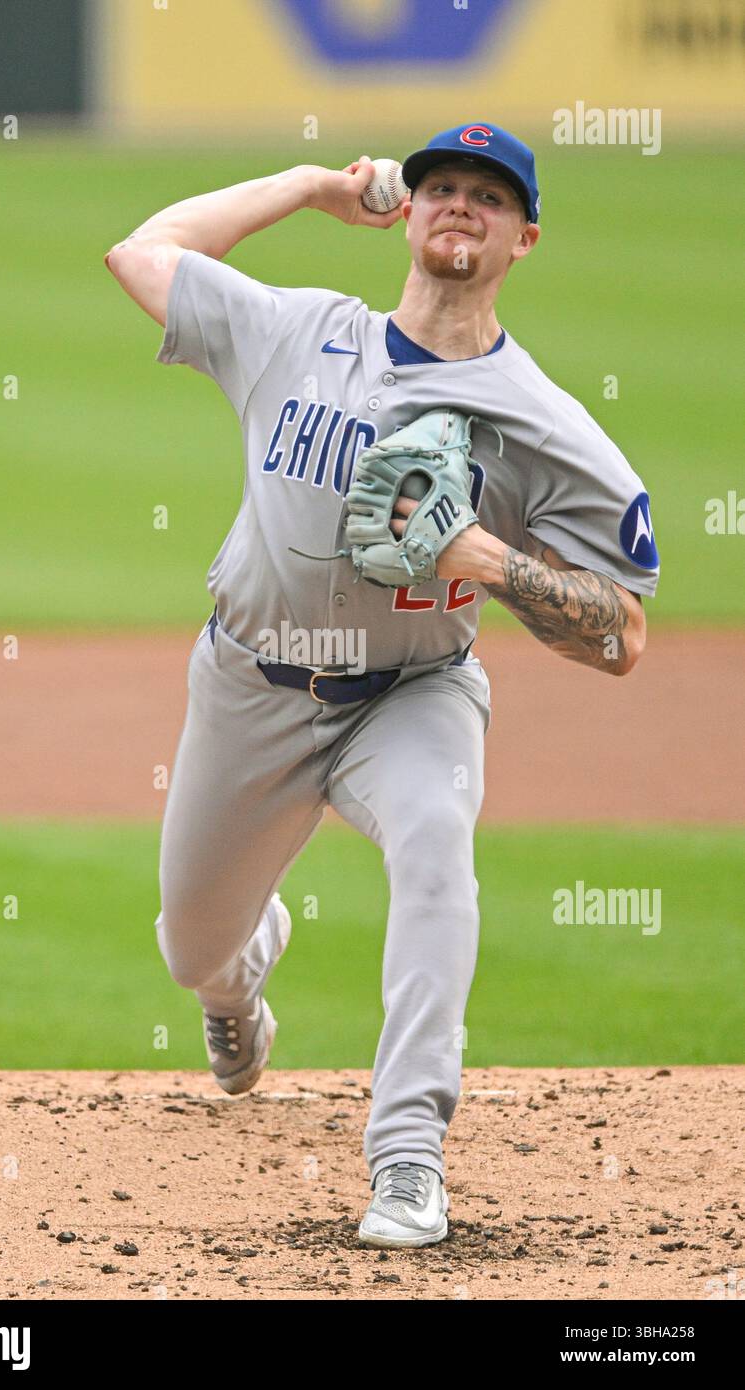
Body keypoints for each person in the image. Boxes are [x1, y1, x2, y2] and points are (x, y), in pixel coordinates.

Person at [104, 123, 659, 1249]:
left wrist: (482, 560)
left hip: (412, 696)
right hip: (247, 686)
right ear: (405, 212)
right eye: (439, 187)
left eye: (488, 198)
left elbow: (622, 636)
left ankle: (407, 1157)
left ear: (522, 237)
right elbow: (140, 253)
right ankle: (237, 984)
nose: (458, 205)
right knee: (189, 945)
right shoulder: (298, 330)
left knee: (433, 844)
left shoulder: (544, 423)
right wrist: (309, 185)